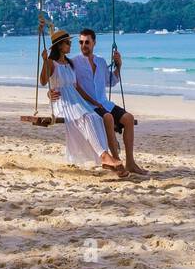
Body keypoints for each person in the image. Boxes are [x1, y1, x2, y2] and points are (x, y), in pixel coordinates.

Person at [39, 29, 125, 174]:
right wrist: (44, 63)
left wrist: (94, 102)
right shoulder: (51, 63)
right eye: (68, 43)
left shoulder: (69, 63)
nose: (70, 45)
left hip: (76, 100)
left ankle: (106, 157)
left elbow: (77, 87)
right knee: (87, 118)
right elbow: (42, 81)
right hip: (62, 102)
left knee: (95, 117)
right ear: (60, 46)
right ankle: (104, 156)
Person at [68, 28, 147, 177]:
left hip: (104, 103)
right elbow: (73, 86)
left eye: (87, 42)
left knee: (128, 118)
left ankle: (130, 162)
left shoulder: (101, 61)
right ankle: (116, 161)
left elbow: (111, 81)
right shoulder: (74, 63)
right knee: (108, 118)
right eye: (81, 42)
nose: (83, 45)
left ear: (94, 43)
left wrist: (119, 65)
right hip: (89, 106)